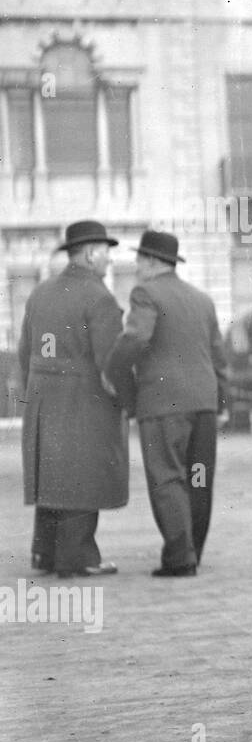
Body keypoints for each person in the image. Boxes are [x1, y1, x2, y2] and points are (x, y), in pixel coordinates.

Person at [106, 231, 227, 578]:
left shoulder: (146, 293)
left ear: (153, 262)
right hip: (203, 404)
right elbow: (219, 357)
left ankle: (180, 557)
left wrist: (113, 369)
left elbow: (136, 336)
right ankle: (193, 551)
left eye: (140, 259)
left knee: (167, 478)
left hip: (163, 404)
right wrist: (222, 401)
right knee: (199, 478)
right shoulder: (202, 299)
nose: (137, 266)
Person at [19, 220, 127, 578]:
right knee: (82, 473)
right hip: (85, 399)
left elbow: (24, 352)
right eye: (107, 253)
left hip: (42, 399)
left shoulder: (40, 293)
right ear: (92, 253)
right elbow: (110, 361)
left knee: (52, 474)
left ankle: (45, 554)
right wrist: (126, 397)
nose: (110, 261)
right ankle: (80, 557)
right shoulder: (99, 297)